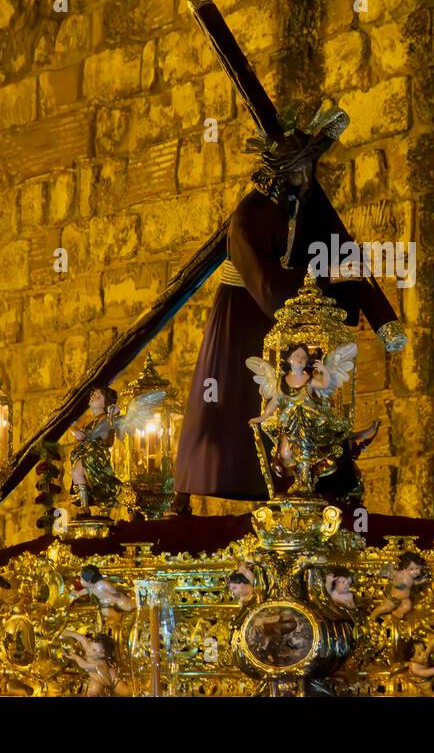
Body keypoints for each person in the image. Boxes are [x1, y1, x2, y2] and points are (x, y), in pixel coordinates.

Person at [173, 105, 406, 512]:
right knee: (238, 401)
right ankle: (214, 489)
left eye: (308, 169)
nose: (304, 178)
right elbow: (264, 282)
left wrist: (383, 318)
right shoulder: (248, 216)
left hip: (298, 317)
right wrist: (326, 273)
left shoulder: (308, 200)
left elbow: (343, 253)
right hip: (247, 314)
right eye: (297, 172)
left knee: (305, 400)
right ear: (278, 174)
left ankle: (312, 483)